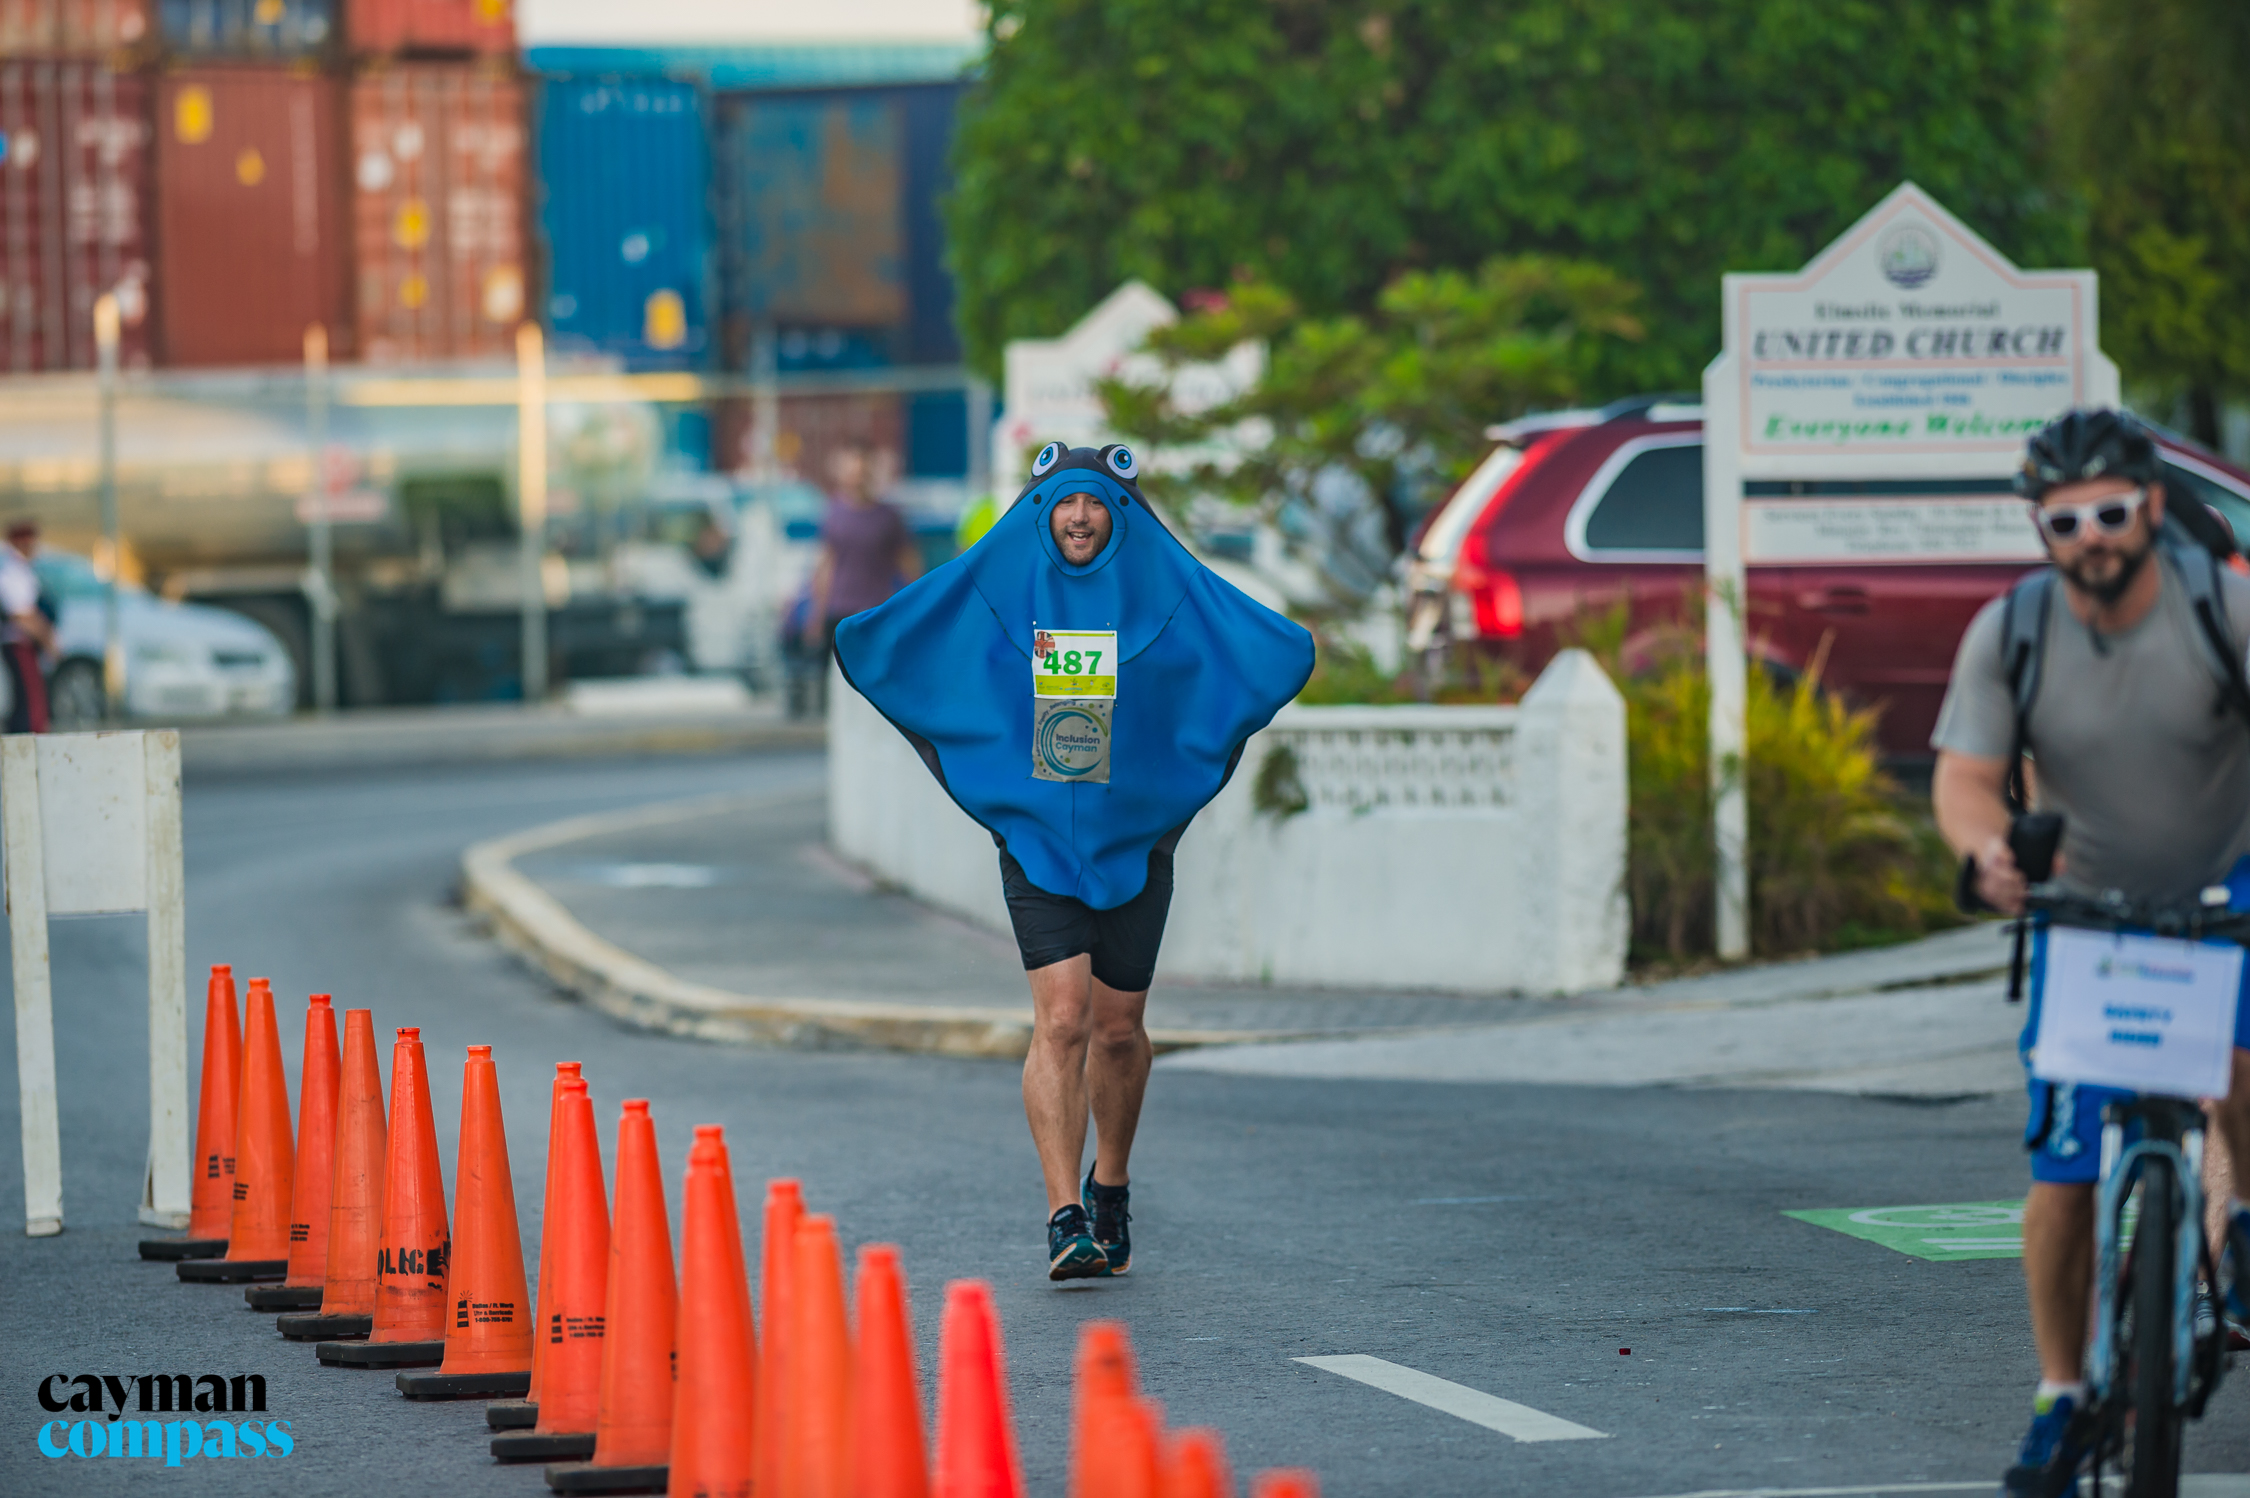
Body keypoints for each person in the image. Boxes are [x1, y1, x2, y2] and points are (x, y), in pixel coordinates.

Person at [833, 442, 1312, 1281]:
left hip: (1139, 835)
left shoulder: (1163, 587)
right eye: (1063, 503)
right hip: (1036, 838)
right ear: (1041, 513)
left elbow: (1234, 647)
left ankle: (1111, 1187)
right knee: (1062, 1018)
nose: (1079, 517)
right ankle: (1065, 1219)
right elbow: (936, 633)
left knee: (1119, 1029)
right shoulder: (1006, 587)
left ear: (1118, 512)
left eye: (1093, 503)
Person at [1929, 409, 2250, 1496]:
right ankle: (2063, 1394)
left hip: (2226, 881)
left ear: (2154, 509)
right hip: (2085, 907)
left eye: (2111, 513)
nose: (2091, 537)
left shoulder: (2226, 611)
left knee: (2241, 1063)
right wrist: (1985, 853)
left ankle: (2240, 1214)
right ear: (2041, 529)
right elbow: (1969, 776)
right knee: (2063, 1169)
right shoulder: (2012, 631)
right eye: (2065, 521)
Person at [808, 444, 921, 642]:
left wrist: (917, 606)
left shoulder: (888, 517)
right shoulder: (834, 513)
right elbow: (826, 564)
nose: (857, 477)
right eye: (852, 471)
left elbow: (909, 565)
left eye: (862, 471)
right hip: (839, 611)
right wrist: (817, 613)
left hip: (875, 611)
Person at [0, 519, 52, 733]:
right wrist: (48, 639)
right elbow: (22, 614)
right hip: (19, 642)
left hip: (23, 643)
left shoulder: (21, 569)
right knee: (30, 704)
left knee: (30, 700)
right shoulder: (13, 572)